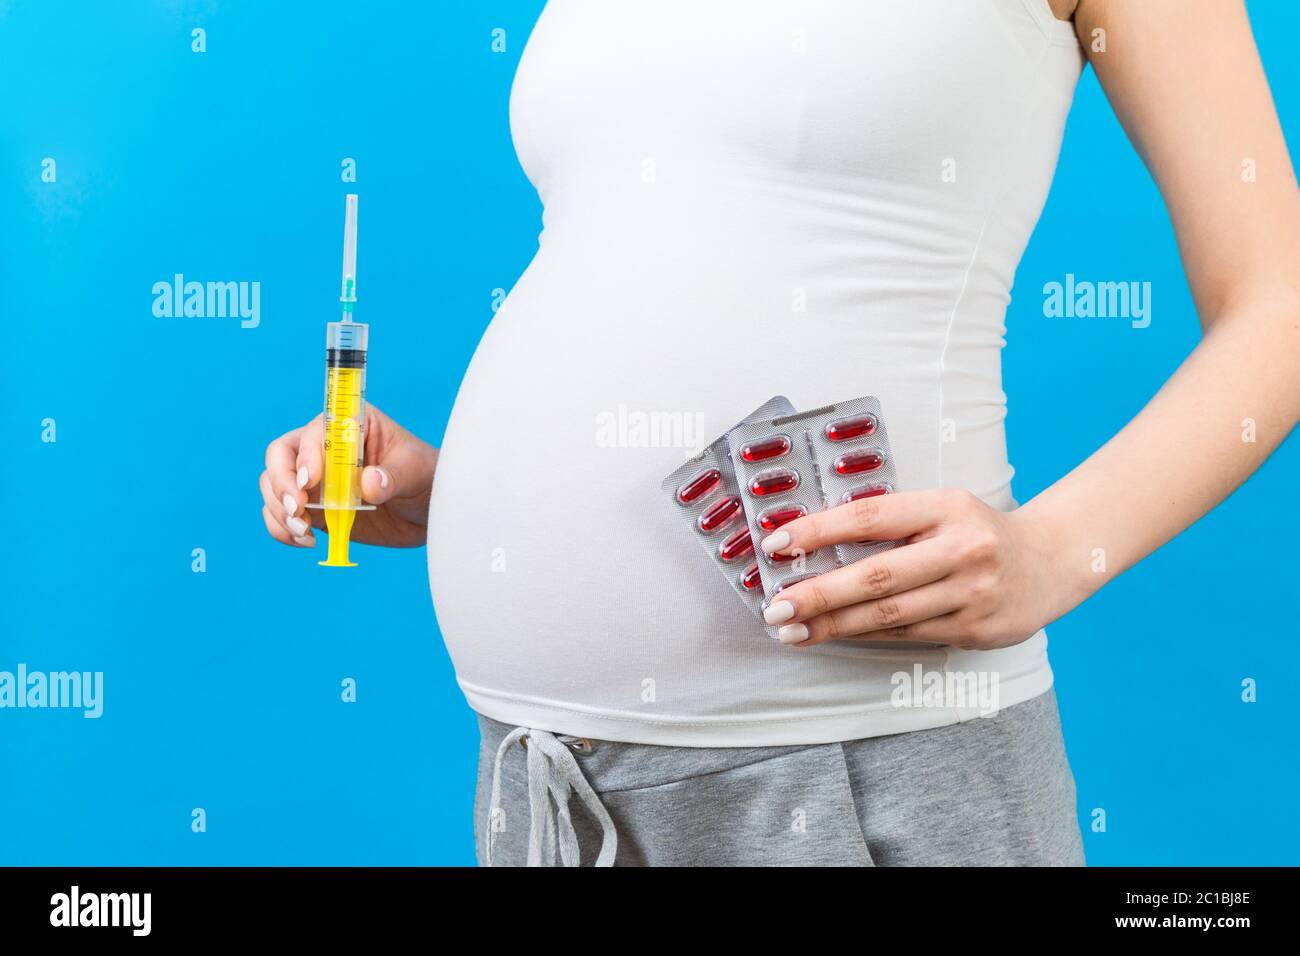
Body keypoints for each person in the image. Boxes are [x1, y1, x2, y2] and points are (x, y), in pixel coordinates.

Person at [258, 0, 1300, 866]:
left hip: (854, 761)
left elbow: (1280, 300)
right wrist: (474, 494)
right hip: (544, 780)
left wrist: (1056, 552)